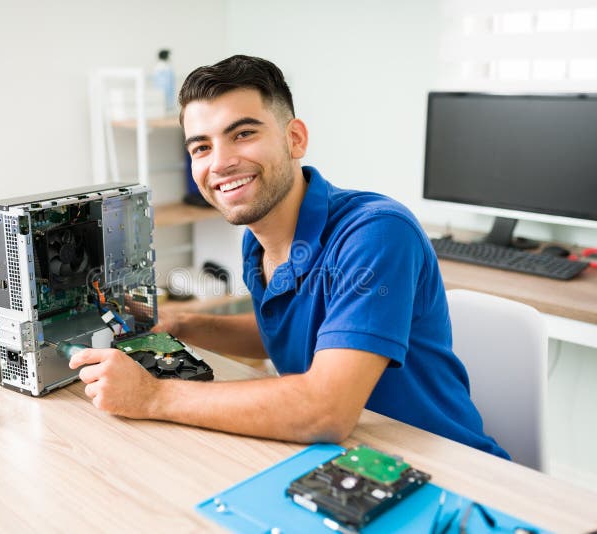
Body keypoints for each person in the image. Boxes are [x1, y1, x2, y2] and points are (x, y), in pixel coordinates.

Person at [69, 55, 509, 459]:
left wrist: (152, 396)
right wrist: (182, 326)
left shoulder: (376, 233)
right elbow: (289, 333)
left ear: (294, 138)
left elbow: (325, 411)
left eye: (242, 134)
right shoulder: (257, 240)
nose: (219, 163)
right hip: (343, 461)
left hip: (447, 470)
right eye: (201, 147)